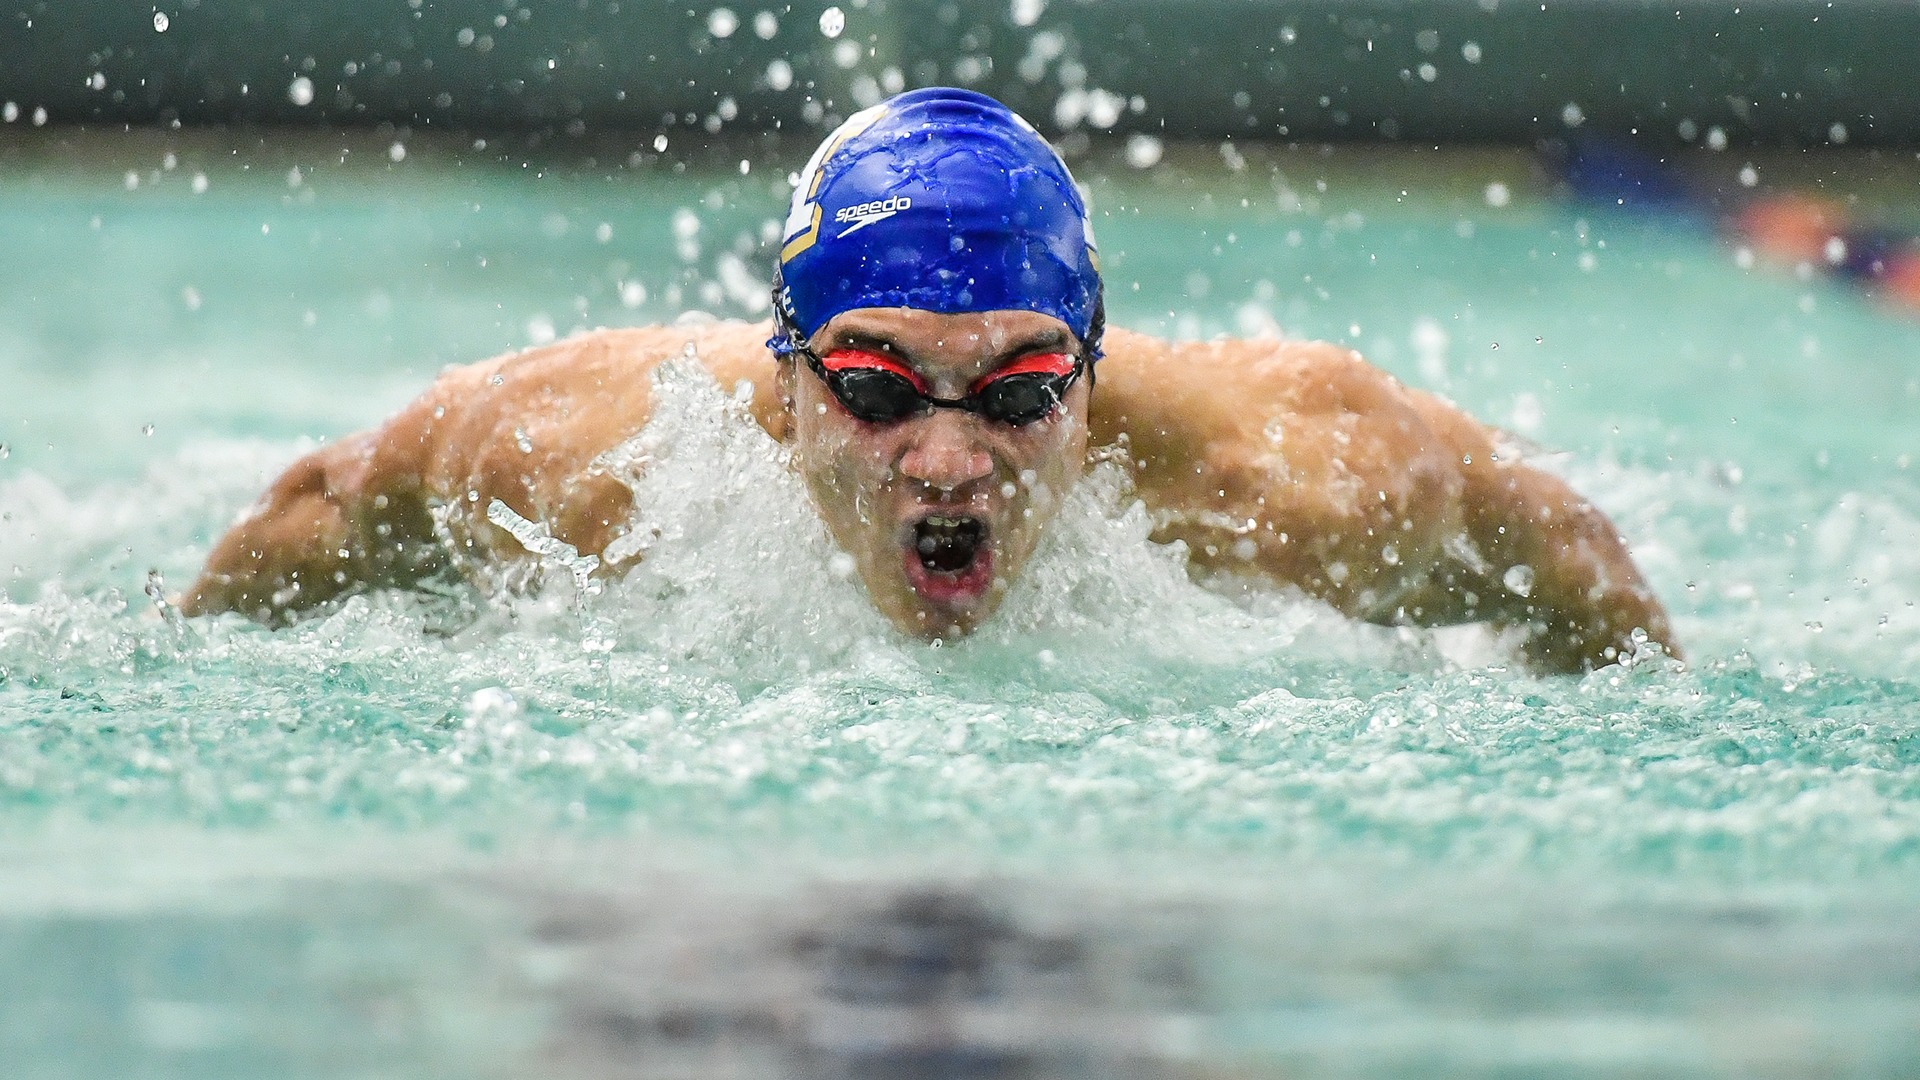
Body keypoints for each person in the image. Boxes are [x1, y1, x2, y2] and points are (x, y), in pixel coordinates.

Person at [180, 87, 1677, 674]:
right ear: (783, 385)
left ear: (1093, 377)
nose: (951, 463)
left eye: (1020, 391)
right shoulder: (578, 462)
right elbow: (323, 510)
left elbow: (1579, 570)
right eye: (879, 392)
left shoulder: (1297, 475)